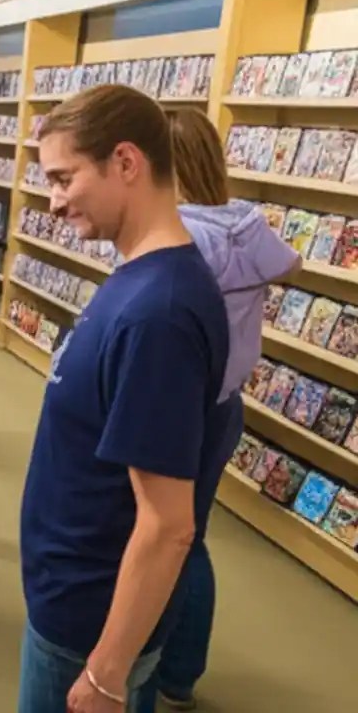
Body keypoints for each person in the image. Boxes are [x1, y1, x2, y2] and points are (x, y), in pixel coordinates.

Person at [19, 85, 233, 713]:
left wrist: (107, 673)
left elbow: (169, 525)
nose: (53, 201)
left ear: (126, 163)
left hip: (88, 623)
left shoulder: (159, 314)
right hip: (72, 598)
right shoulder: (138, 279)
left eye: (65, 178)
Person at [134, 110, 302, 713]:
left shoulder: (175, 233)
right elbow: (291, 266)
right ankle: (180, 674)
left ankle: (141, 660)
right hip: (226, 402)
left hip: (172, 403)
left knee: (152, 531)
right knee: (191, 534)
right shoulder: (247, 224)